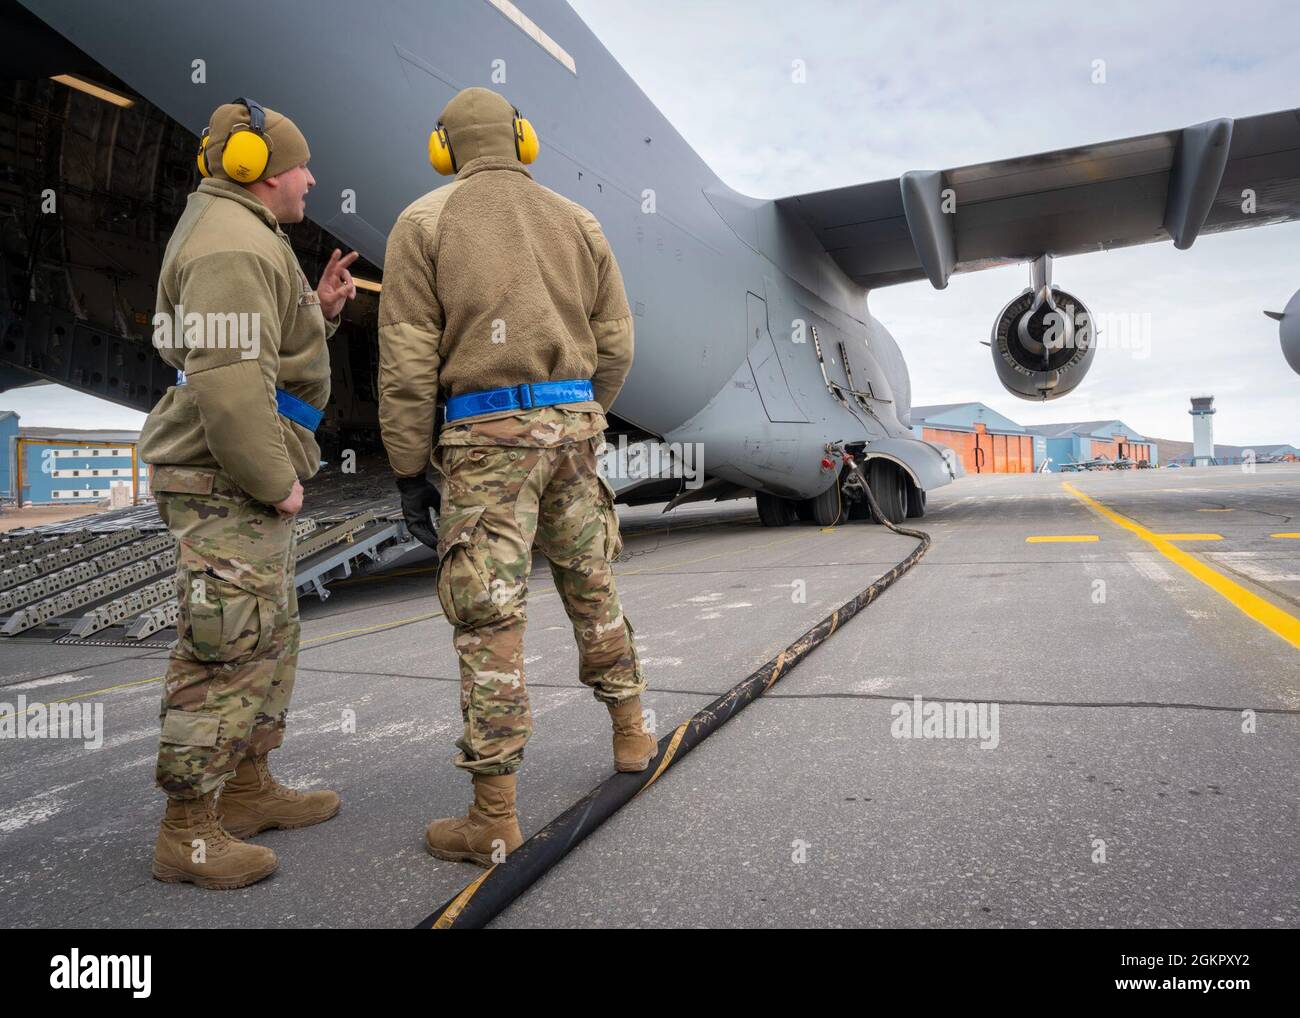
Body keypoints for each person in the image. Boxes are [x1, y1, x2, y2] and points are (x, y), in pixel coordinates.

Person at [378, 86, 655, 866]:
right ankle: (632, 734)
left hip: (486, 437)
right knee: (591, 582)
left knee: (490, 618)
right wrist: (581, 412)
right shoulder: (578, 221)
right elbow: (617, 342)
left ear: (446, 149)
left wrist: (408, 469)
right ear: (521, 140)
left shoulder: (422, 223)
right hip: (574, 430)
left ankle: (493, 816)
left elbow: (405, 361)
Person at [140, 98, 357, 889]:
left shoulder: (249, 234)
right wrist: (276, 481)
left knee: (268, 636)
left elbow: (265, 349)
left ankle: (247, 788)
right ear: (255, 172)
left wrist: (320, 312)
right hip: (227, 474)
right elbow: (229, 388)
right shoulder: (232, 246)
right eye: (300, 165)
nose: (310, 178)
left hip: (241, 471)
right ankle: (188, 830)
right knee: (225, 643)